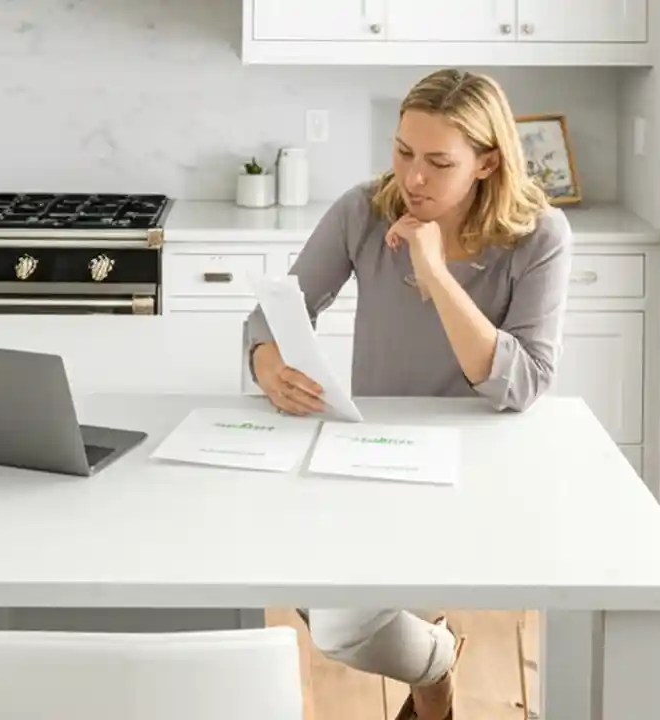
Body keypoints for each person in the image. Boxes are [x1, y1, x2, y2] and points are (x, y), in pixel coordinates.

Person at [243, 69, 573, 719]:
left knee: (340, 626)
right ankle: (439, 659)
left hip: (480, 466)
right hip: (372, 456)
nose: (412, 178)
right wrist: (266, 361)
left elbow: (523, 382)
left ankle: (434, 665)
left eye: (437, 162)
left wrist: (433, 269)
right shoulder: (364, 210)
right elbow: (274, 313)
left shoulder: (539, 236)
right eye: (402, 151)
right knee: (298, 580)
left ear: (487, 163)